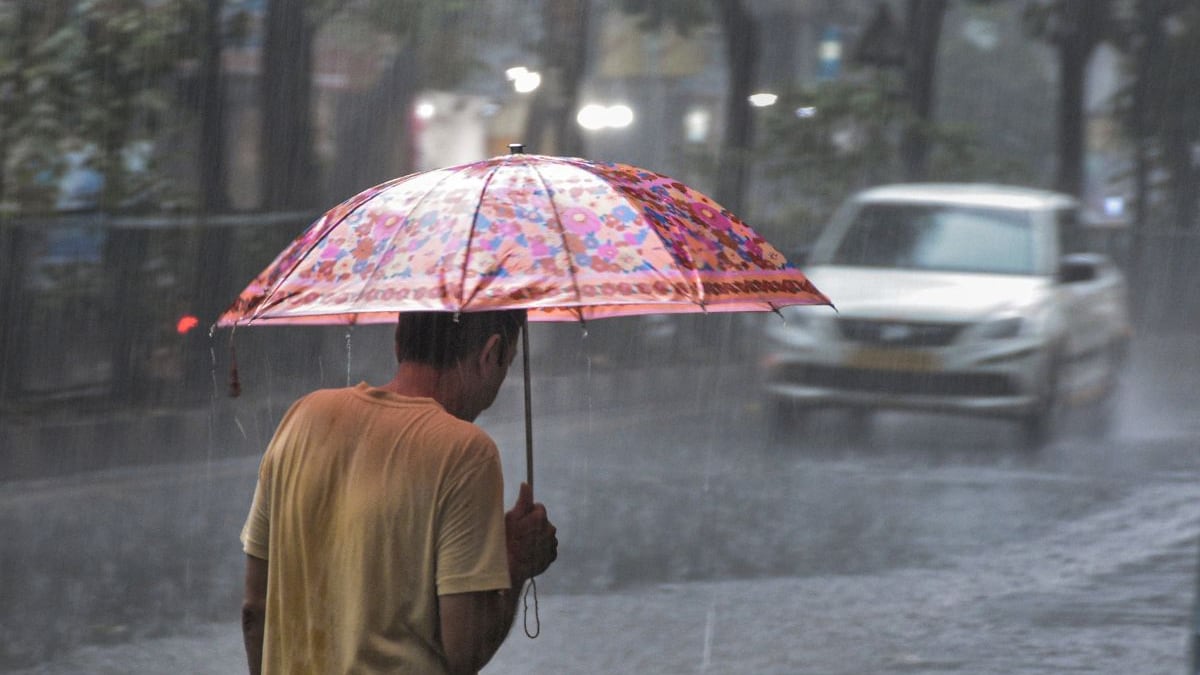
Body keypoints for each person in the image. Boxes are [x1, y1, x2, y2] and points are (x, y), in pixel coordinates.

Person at [240, 310, 558, 674]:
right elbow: (464, 649)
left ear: (398, 341)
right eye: (509, 363)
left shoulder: (302, 419)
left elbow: (254, 611)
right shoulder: (464, 452)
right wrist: (515, 563)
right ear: (492, 353)